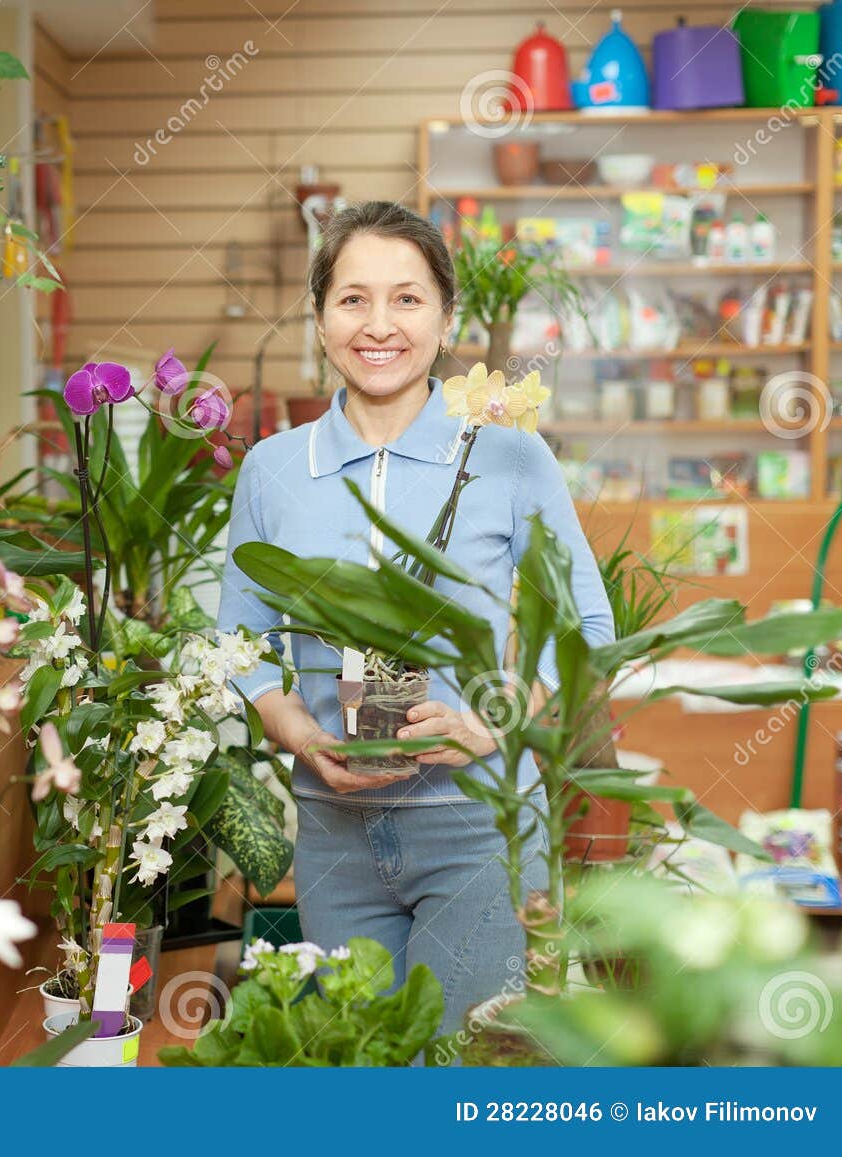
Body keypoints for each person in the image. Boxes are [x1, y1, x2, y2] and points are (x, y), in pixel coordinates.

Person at [215, 200, 614, 1039]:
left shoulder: (505, 451)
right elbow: (239, 641)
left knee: (462, 1063)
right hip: (332, 829)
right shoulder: (274, 467)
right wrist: (298, 732)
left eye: (407, 298)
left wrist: (487, 723)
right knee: (357, 1065)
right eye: (353, 299)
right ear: (320, 318)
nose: (379, 325)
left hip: (478, 823)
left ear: (445, 316)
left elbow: (584, 622)